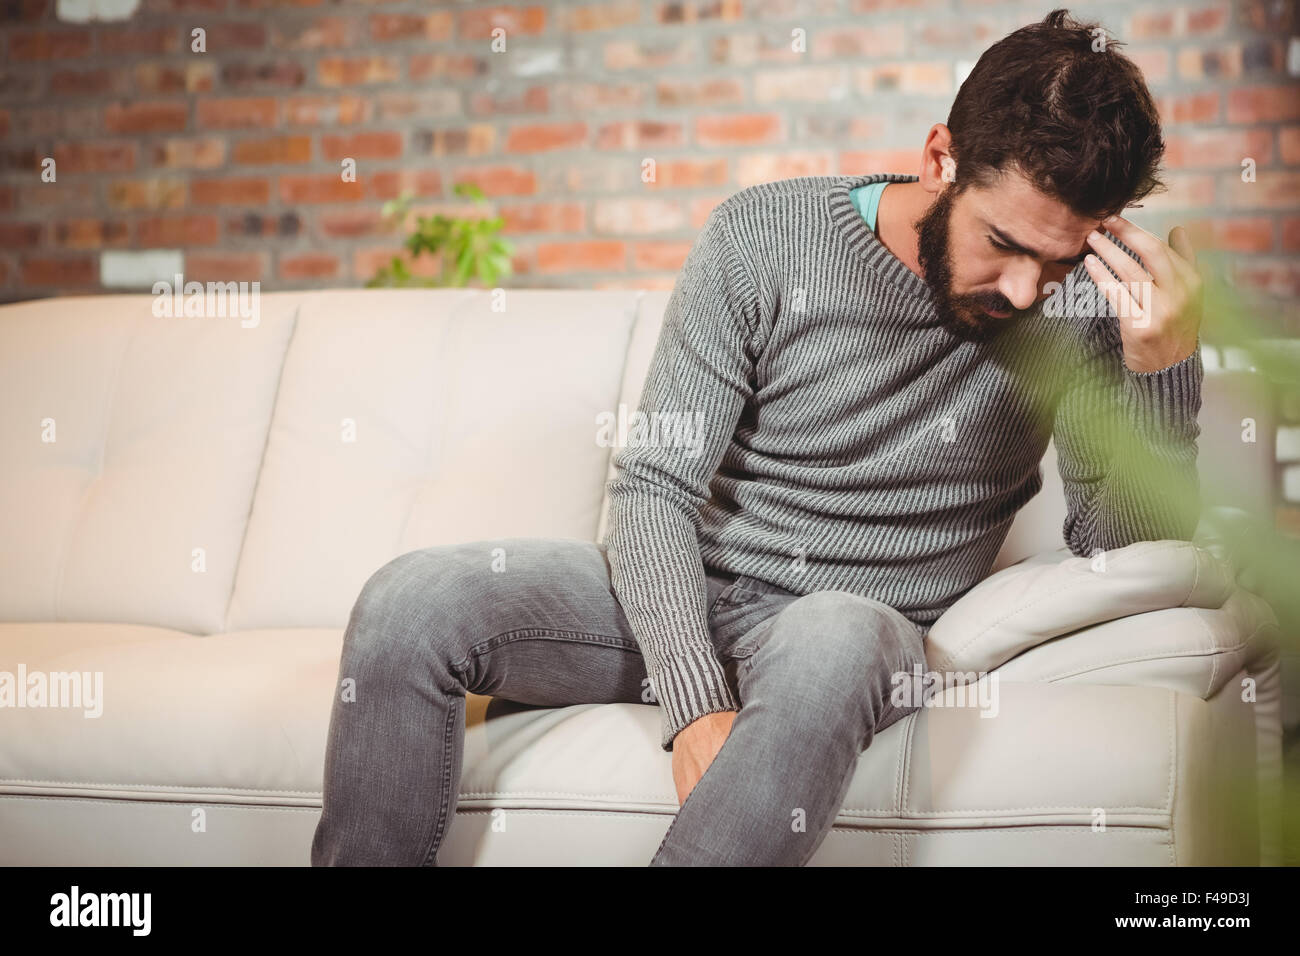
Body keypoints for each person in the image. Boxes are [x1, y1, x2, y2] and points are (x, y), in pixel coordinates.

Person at [311, 8, 1203, 866]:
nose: (1021, 291)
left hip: (850, 631)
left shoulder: (1085, 302)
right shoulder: (766, 236)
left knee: (837, 637)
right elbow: (654, 488)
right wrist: (696, 703)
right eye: (1003, 242)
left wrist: (1162, 367)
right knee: (412, 601)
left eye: (1056, 260)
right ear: (942, 159)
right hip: (696, 592)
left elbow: (1119, 550)